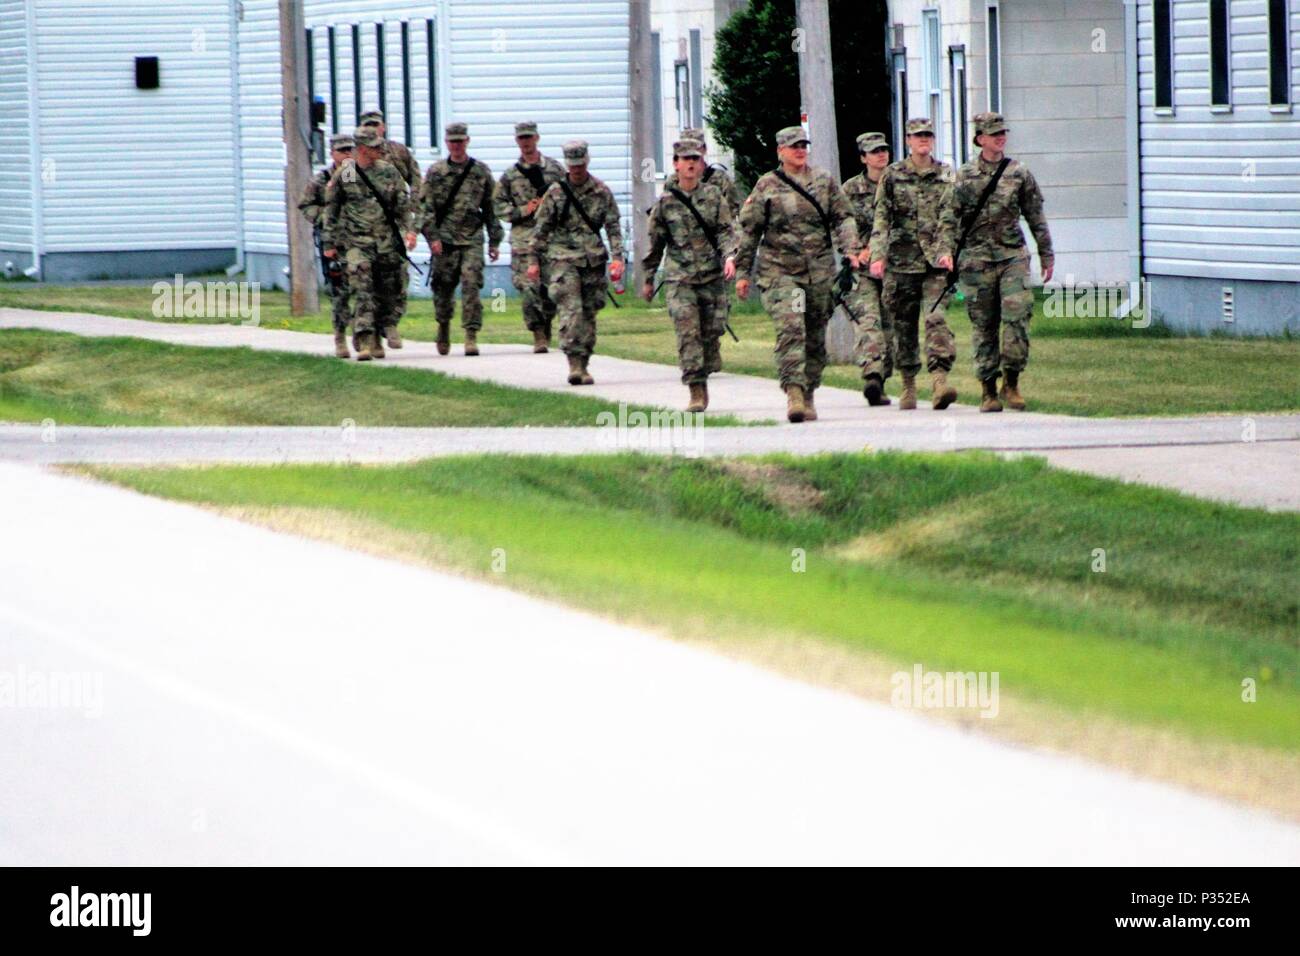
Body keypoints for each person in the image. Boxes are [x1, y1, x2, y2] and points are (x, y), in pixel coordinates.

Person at [733, 126, 862, 423]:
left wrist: (850, 250)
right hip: (781, 273)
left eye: (803, 145)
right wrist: (742, 271)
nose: (800, 150)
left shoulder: (823, 181)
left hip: (818, 273)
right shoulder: (767, 185)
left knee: (815, 335)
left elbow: (843, 217)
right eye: (793, 146)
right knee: (792, 328)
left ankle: (809, 391)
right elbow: (750, 231)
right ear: (781, 151)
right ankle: (793, 392)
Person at [942, 111, 1054, 412]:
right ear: (980, 139)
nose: (1000, 137)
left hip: (1011, 255)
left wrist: (1046, 252)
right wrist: (946, 252)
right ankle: (988, 389)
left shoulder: (1019, 173)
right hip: (975, 261)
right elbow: (949, 218)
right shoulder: (964, 176)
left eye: (1003, 132)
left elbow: (1035, 215)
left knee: (1017, 316)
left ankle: (1012, 381)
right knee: (984, 325)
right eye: (994, 134)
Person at [868, 118, 958, 411]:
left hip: (934, 263)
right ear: (908, 140)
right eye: (918, 136)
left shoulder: (946, 173)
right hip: (901, 261)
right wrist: (878, 255)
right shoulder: (893, 175)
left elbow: (950, 215)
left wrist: (946, 251)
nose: (924, 140)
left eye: (928, 135)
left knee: (936, 319)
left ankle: (939, 382)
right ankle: (908, 384)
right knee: (904, 326)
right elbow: (882, 217)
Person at [642, 139, 738, 412]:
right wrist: (648, 278)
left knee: (712, 330)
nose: (691, 163)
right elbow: (655, 244)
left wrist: (730, 257)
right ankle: (696, 389)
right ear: (676, 164)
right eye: (685, 159)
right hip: (679, 278)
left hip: (710, 276)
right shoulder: (666, 203)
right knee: (688, 332)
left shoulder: (713, 197)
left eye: (695, 158)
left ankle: (706, 365)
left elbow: (725, 231)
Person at [524, 140, 625, 386]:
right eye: (573, 166)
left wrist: (618, 258)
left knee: (589, 312)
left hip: (592, 260)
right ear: (568, 165)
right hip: (562, 259)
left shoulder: (601, 191)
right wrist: (533, 260)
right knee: (572, 310)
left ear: (587, 162)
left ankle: (585, 361)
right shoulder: (556, 193)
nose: (577, 170)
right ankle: (574, 364)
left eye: (580, 165)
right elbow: (541, 229)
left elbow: (613, 227)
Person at [322, 127, 417, 361]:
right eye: (374, 146)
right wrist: (329, 242)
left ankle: (377, 334)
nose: (380, 149)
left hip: (385, 241)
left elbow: (402, 206)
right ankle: (363, 340)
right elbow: (332, 209)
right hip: (357, 242)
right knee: (363, 288)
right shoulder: (347, 173)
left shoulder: (389, 172)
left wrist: (410, 231)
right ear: (362, 149)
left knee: (387, 290)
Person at [418, 122, 502, 356]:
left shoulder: (480, 171)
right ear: (447, 143)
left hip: (472, 238)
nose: (456, 145)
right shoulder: (436, 172)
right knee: (443, 288)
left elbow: (490, 207)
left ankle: (470, 334)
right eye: (452, 141)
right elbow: (426, 208)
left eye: (460, 141)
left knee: (471, 284)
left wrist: (495, 240)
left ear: (467, 142)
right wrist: (432, 237)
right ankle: (443, 326)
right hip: (444, 240)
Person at [496, 121, 566, 353]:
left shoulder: (555, 170)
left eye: (529, 137)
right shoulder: (510, 175)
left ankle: (546, 323)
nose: (526, 142)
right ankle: (537, 332)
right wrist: (522, 210)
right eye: (521, 138)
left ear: (536, 138)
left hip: (551, 238)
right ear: (517, 141)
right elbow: (498, 205)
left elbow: (569, 198)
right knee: (528, 286)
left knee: (550, 288)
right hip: (524, 238)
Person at [841, 131, 894, 405]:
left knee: (890, 328)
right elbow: (841, 223)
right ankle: (872, 376)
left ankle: (882, 378)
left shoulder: (899, 184)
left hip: (895, 267)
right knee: (868, 321)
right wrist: (854, 250)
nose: (881, 155)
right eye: (874, 152)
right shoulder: (850, 190)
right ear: (863, 158)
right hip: (862, 270)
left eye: (884, 150)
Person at [299, 132, 355, 358]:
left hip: (359, 241)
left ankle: (364, 334)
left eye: (350, 150)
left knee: (364, 290)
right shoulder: (321, 179)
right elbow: (305, 205)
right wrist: (324, 217)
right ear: (332, 154)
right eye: (342, 151)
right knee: (339, 292)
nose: (347, 154)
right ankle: (341, 337)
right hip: (333, 243)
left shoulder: (359, 178)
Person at [664, 127, 746, 216]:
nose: (691, 153)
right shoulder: (673, 181)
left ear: (704, 149)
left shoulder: (720, 179)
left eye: (696, 147)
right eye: (685, 150)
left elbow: (732, 213)